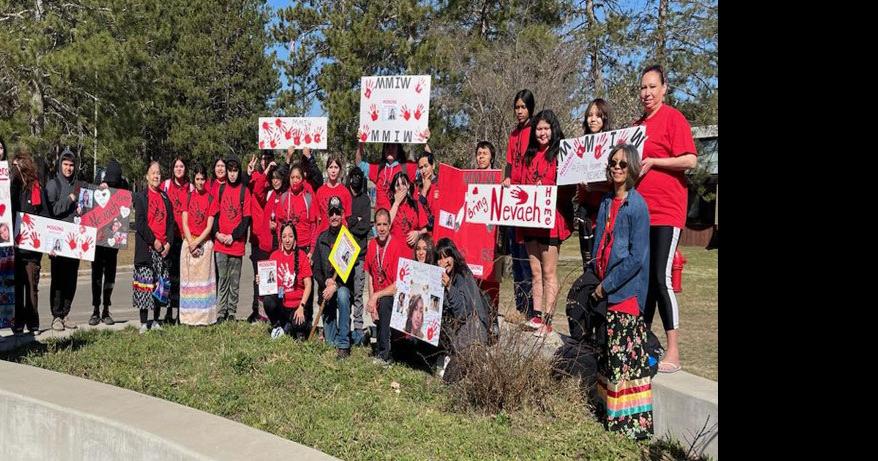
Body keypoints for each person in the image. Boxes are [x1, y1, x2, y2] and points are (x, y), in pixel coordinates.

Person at [633, 65, 698, 374]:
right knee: (643, 282)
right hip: (641, 214)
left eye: (652, 87)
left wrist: (655, 161)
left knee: (661, 277)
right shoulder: (636, 126)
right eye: (643, 88)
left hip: (667, 211)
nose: (647, 93)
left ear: (664, 88)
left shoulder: (673, 118)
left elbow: (690, 160)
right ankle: (643, 343)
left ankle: (673, 349)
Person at [589, 143, 653, 439]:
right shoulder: (606, 202)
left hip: (625, 292)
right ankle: (608, 414)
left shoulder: (637, 205)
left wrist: (607, 285)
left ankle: (630, 425)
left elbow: (637, 259)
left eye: (623, 164)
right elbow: (600, 242)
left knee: (625, 362)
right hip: (604, 287)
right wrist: (595, 277)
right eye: (613, 162)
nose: (616, 167)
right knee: (608, 356)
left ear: (633, 169)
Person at [518, 109, 572, 337]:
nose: (542, 133)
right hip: (530, 219)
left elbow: (569, 187)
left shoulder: (561, 153)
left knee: (549, 271)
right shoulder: (529, 155)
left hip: (551, 220)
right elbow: (520, 183)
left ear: (553, 130)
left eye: (546, 128)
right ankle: (537, 315)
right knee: (535, 270)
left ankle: (548, 321)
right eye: (538, 129)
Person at [501, 90, 536, 322]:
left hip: (530, 201)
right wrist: (506, 178)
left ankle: (535, 309)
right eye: (517, 107)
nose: (520, 111)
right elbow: (509, 163)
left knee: (529, 258)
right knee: (516, 256)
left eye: (523, 107)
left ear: (530, 108)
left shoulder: (536, 131)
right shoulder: (513, 134)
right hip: (514, 203)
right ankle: (520, 306)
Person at [435, 237, 490, 382]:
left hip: (473, 328)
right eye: (439, 259)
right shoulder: (444, 276)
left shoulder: (462, 275)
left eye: (447, 257)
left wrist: (449, 287)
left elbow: (463, 311)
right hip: (457, 331)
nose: (444, 262)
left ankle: (474, 359)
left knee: (450, 376)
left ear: (453, 257)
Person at [10, 147, 48, 335]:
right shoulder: (13, 186)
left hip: (33, 247)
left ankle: (33, 322)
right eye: (16, 164)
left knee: (32, 287)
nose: (19, 168)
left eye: (22, 163)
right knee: (18, 286)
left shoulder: (36, 187)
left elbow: (44, 213)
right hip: (16, 246)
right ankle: (18, 322)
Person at [133, 161, 175, 333]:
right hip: (147, 249)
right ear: (147, 176)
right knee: (144, 286)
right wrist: (154, 241)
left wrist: (168, 243)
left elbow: (171, 223)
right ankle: (144, 322)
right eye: (153, 173)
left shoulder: (165, 198)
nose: (156, 176)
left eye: (158, 173)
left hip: (162, 250)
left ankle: (156, 319)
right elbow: (140, 223)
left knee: (160, 285)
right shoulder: (142, 197)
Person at [311, 196, 353, 358]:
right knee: (329, 342)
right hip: (326, 288)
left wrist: (335, 285)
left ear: (342, 215)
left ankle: (344, 343)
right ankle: (332, 336)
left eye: (337, 213)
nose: (334, 216)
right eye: (331, 213)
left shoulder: (347, 240)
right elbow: (316, 270)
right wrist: (326, 282)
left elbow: (349, 273)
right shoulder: (321, 239)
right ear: (327, 216)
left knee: (342, 295)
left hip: (341, 286)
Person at [45, 147, 82, 331]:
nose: (68, 168)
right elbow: (52, 211)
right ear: (60, 165)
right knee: (58, 281)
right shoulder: (53, 185)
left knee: (71, 279)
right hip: (57, 242)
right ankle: (56, 316)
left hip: (75, 242)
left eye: (71, 165)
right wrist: (70, 199)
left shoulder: (78, 185)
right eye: (65, 165)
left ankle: (66, 313)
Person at [574, 99, 613, 269]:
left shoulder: (613, 147)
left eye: (598, 115)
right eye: (590, 115)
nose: (593, 119)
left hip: (605, 210)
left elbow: (616, 185)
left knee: (602, 259)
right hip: (585, 213)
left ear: (605, 119)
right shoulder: (579, 146)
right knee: (587, 261)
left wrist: (594, 187)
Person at [89, 159, 129, 325]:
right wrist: (100, 188)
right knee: (96, 276)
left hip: (113, 240)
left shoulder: (123, 185)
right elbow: (89, 203)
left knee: (110, 276)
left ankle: (106, 308)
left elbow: (127, 199)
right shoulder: (99, 181)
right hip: (98, 240)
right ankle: (95, 309)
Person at [212, 157, 252, 322]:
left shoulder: (245, 191)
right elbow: (214, 215)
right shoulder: (220, 190)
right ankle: (221, 312)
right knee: (222, 279)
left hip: (236, 244)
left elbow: (246, 219)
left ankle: (231, 312)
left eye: (235, 171)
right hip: (220, 244)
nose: (233, 174)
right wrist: (218, 234)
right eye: (230, 171)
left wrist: (233, 236)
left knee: (234, 281)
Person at [365, 209, 407, 365]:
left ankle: (384, 356)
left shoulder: (396, 246)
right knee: (380, 305)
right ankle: (384, 346)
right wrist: (371, 301)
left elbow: (398, 285)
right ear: (374, 225)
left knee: (385, 302)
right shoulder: (372, 245)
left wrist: (376, 296)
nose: (381, 228)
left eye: (385, 224)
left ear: (390, 225)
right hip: (379, 295)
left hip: (393, 295)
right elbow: (370, 275)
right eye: (379, 224)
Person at [180, 163, 218, 326]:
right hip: (189, 243)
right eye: (197, 179)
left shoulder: (211, 199)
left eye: (203, 179)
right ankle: (188, 318)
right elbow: (185, 222)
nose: (200, 182)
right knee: (189, 283)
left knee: (203, 286)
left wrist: (197, 242)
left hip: (204, 243)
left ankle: (205, 318)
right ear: (193, 179)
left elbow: (209, 226)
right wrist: (190, 242)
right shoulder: (187, 196)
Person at [261, 221, 312, 339]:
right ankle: (277, 325)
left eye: (290, 236)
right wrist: (262, 280)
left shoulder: (302, 255)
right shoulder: (274, 256)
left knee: (299, 327)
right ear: (281, 239)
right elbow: (273, 284)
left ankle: (293, 326)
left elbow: (308, 284)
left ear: (295, 238)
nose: (287, 240)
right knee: (268, 301)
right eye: (284, 237)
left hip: (298, 304)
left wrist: (301, 306)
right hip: (283, 302)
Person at [160, 157, 193, 325]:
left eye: (182, 166)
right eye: (176, 166)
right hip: (169, 239)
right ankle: (168, 312)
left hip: (184, 239)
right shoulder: (165, 185)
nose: (179, 169)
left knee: (182, 277)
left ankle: (181, 312)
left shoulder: (191, 188)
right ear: (172, 169)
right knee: (168, 277)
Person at [346, 166, 371, 346]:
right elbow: (343, 222)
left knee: (358, 295)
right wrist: (356, 220)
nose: (355, 179)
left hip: (360, 254)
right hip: (345, 254)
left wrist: (353, 221)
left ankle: (359, 330)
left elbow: (364, 228)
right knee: (345, 293)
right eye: (352, 176)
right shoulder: (345, 196)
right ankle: (345, 328)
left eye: (358, 176)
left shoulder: (365, 200)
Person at [355, 142, 417, 212]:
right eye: (387, 146)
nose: (390, 149)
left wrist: (425, 141)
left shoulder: (407, 167)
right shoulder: (378, 168)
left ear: (398, 149)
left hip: (401, 218)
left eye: (393, 146)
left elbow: (427, 166)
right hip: (382, 219)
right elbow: (359, 164)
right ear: (384, 149)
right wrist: (361, 144)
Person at [388, 172, 428, 248]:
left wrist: (418, 233)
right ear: (394, 189)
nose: (401, 187)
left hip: (411, 254)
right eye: (397, 185)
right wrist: (396, 203)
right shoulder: (389, 206)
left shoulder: (416, 205)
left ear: (408, 186)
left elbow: (426, 229)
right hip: (394, 252)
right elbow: (386, 226)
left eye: (403, 183)